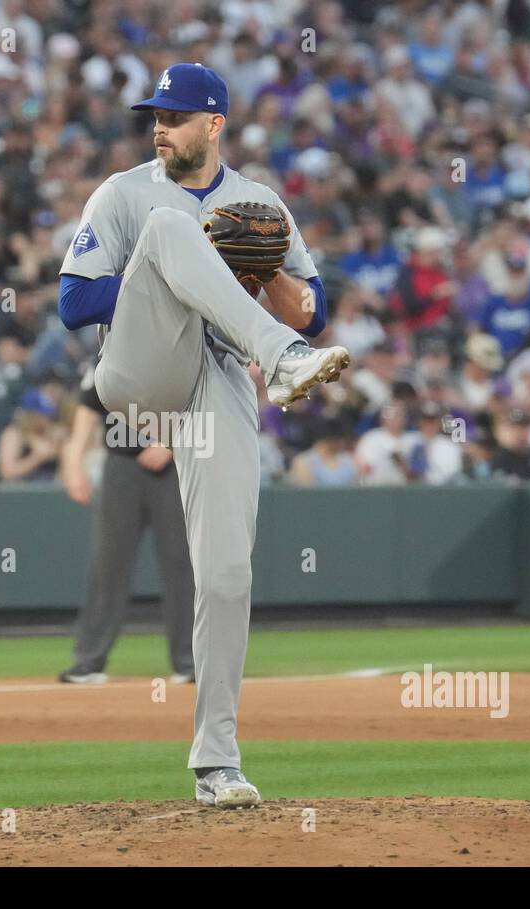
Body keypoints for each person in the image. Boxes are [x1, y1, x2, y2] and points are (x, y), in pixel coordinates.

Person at [57, 63, 349, 809]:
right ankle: (278, 362)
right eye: (156, 113)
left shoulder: (258, 203)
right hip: (140, 372)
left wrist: (264, 280)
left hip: (218, 380)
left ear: (213, 125)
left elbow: (311, 313)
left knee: (226, 575)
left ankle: (217, 762)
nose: (161, 125)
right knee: (167, 230)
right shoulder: (125, 194)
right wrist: (180, 269)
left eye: (176, 115)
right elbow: (72, 301)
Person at [57, 365, 195, 684]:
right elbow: (89, 407)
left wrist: (170, 443)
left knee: (182, 564)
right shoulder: (109, 354)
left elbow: (201, 402)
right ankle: (89, 661)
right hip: (120, 463)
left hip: (175, 464)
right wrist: (74, 462)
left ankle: (189, 662)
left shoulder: (176, 348)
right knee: (108, 563)